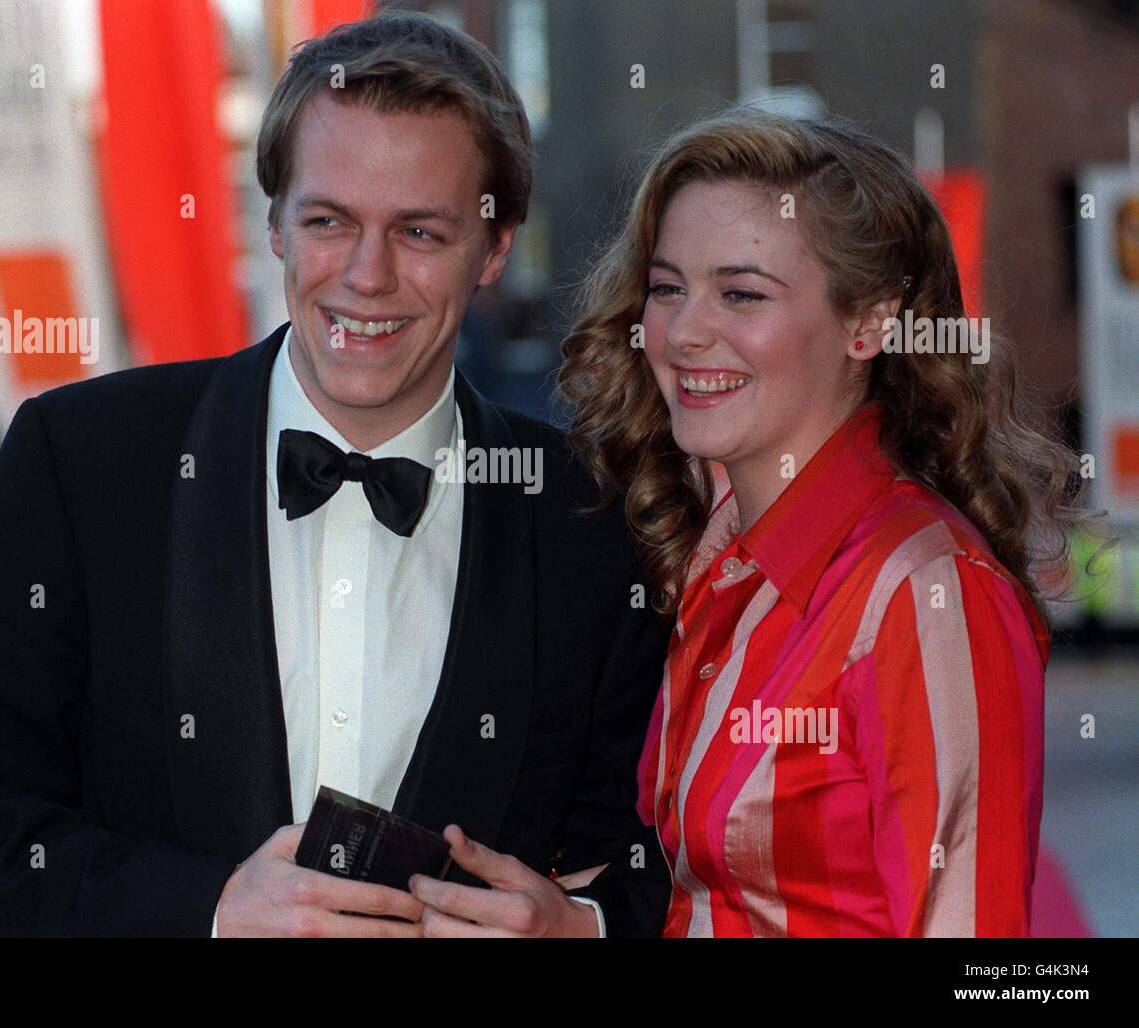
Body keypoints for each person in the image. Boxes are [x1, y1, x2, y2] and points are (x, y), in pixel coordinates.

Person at [0, 12, 669, 938]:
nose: (367, 275)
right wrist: (206, 912)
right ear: (273, 224)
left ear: (495, 247)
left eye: (419, 232)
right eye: (328, 221)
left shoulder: (589, 516)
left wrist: (577, 927)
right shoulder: (82, 460)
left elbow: (654, 857)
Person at [418, 109, 1081, 936]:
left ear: (870, 322)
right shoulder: (708, 558)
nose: (686, 333)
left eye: (741, 293)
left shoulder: (925, 590)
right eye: (668, 289)